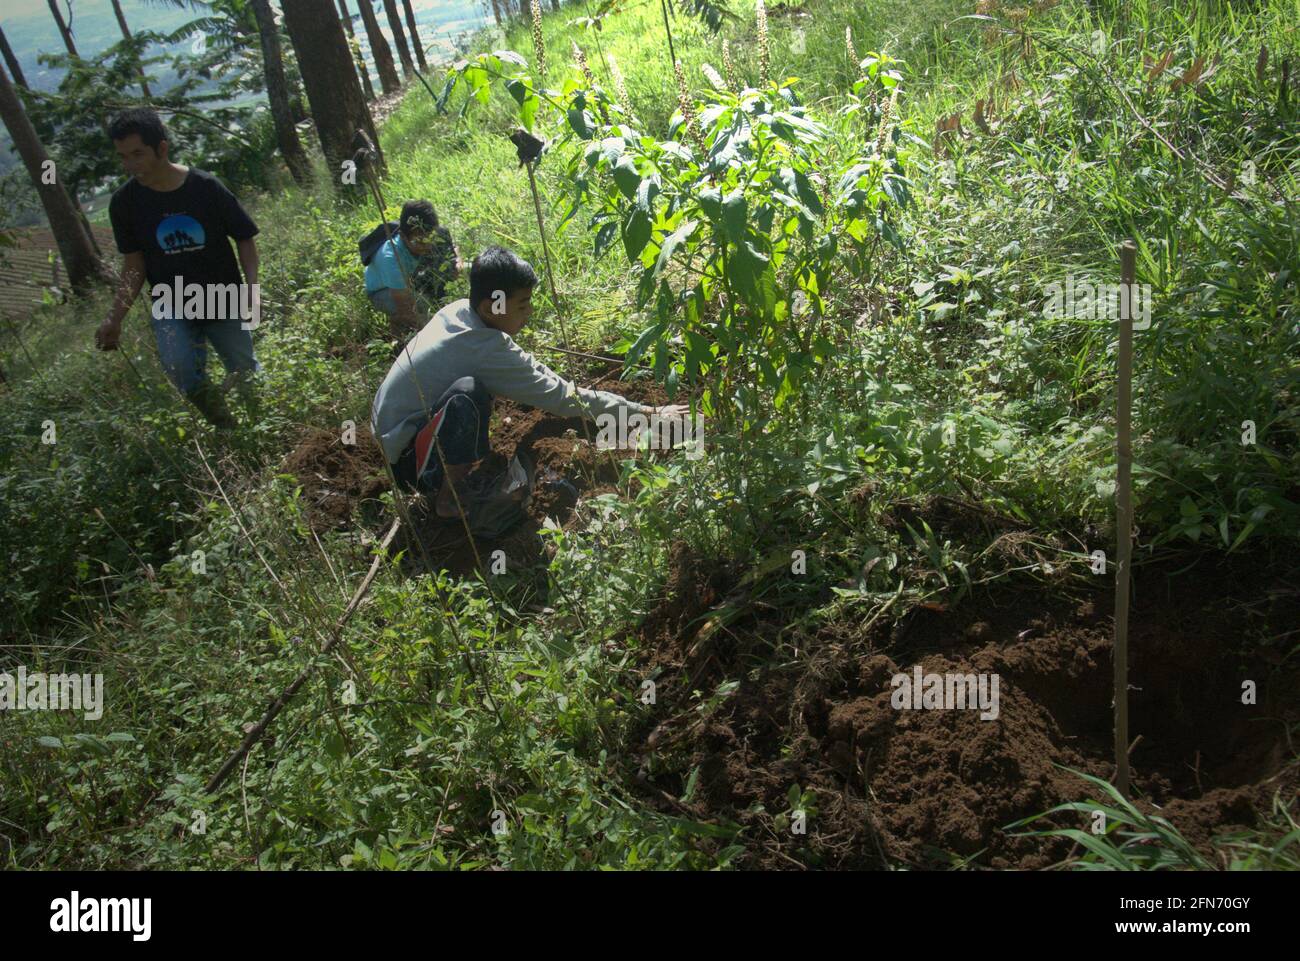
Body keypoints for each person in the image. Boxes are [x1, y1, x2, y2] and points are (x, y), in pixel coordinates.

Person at [371, 246, 690, 518]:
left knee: (472, 391)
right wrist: (649, 414)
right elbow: (564, 400)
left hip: (400, 435)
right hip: (409, 463)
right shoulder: (481, 348)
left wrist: (568, 384)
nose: (529, 312)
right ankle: (447, 497)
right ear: (491, 306)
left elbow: (530, 366)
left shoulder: (461, 314)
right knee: (469, 395)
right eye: (522, 304)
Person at [94, 108, 261, 429]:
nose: (130, 165)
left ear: (162, 148)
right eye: (123, 157)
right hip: (171, 305)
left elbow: (245, 238)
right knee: (180, 368)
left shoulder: (205, 187)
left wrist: (252, 290)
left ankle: (262, 431)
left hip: (221, 297)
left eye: (138, 154)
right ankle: (227, 426)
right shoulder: (125, 203)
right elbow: (134, 263)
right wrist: (115, 317)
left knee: (244, 370)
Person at [364, 199, 460, 340]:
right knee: (423, 306)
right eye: (419, 241)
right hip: (383, 291)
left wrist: (458, 264)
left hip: (412, 278)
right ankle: (397, 328)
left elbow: (454, 251)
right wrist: (440, 333)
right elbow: (407, 309)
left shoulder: (435, 235)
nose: (427, 246)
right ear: (403, 236)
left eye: (431, 238)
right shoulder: (391, 258)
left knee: (470, 270)